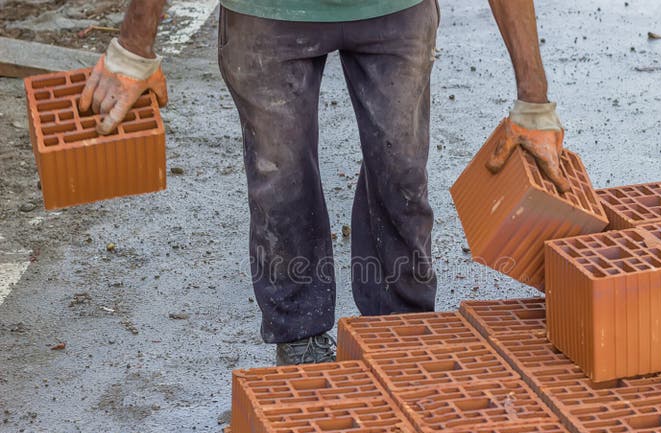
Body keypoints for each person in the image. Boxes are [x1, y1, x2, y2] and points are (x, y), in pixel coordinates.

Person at [80, 0, 569, 366]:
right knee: (280, 178)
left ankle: (399, 334)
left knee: (400, 172)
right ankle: (300, 340)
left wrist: (534, 98)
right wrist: (133, 47)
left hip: (393, 10)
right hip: (266, 12)